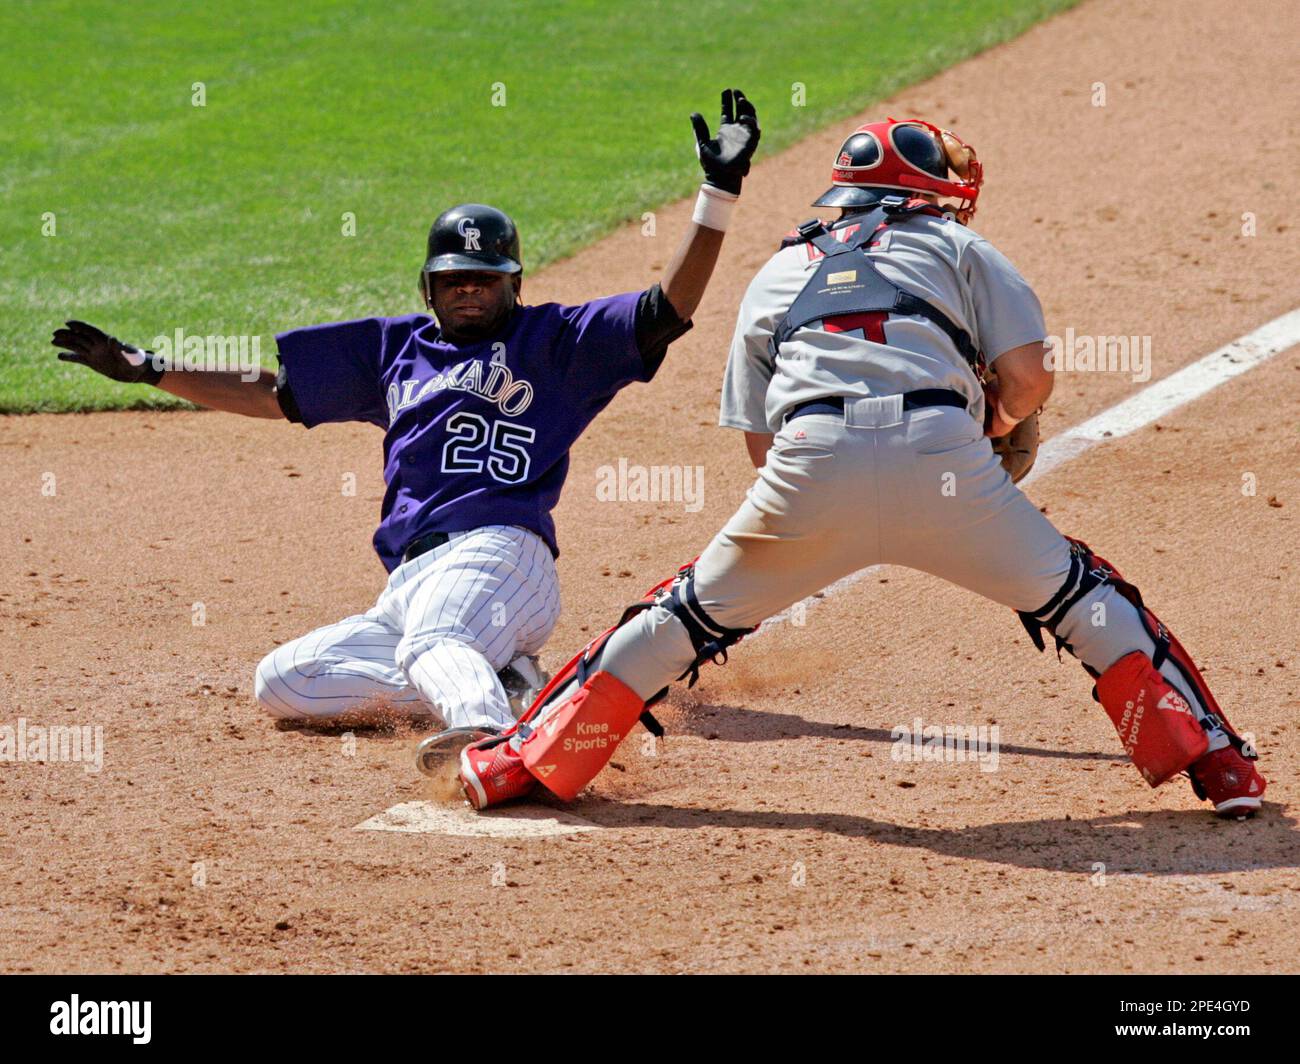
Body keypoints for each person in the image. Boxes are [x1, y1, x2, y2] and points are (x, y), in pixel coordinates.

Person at [451, 118, 1266, 820]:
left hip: (805, 467)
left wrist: (807, 514)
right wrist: (994, 423)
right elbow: (1028, 379)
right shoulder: (960, 244)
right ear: (924, 188)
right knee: (1084, 601)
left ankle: (519, 763)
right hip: (946, 462)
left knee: (682, 620)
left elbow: (760, 445)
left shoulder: (776, 272)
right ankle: (1218, 765)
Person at [49, 89, 761, 744]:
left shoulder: (557, 342)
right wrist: (151, 370)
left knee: (435, 643)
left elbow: (668, 307)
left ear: (515, 283)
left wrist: (718, 192)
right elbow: (275, 392)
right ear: (428, 285)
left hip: (501, 558)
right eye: (454, 279)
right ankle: (511, 684)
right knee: (286, 683)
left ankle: (491, 739)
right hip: (408, 588)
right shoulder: (393, 350)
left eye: (486, 279)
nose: (470, 291)